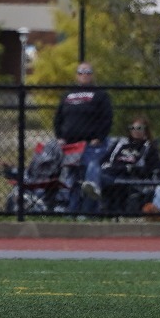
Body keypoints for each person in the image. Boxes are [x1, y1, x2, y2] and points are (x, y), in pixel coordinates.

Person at [54, 61, 113, 212]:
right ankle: (73, 211)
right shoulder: (68, 94)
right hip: (71, 145)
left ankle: (89, 210)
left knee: (91, 170)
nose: (84, 75)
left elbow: (107, 118)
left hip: (91, 144)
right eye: (81, 72)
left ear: (92, 75)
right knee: (74, 178)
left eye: (87, 72)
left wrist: (99, 137)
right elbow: (58, 117)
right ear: (77, 75)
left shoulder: (100, 94)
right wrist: (60, 136)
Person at [98, 119, 160, 215]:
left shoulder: (149, 147)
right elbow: (105, 160)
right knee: (98, 176)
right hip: (112, 173)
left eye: (139, 128)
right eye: (132, 128)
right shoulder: (121, 143)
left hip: (131, 177)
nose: (135, 130)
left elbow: (148, 169)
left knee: (106, 181)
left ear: (145, 130)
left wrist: (128, 169)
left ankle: (106, 208)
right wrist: (120, 168)